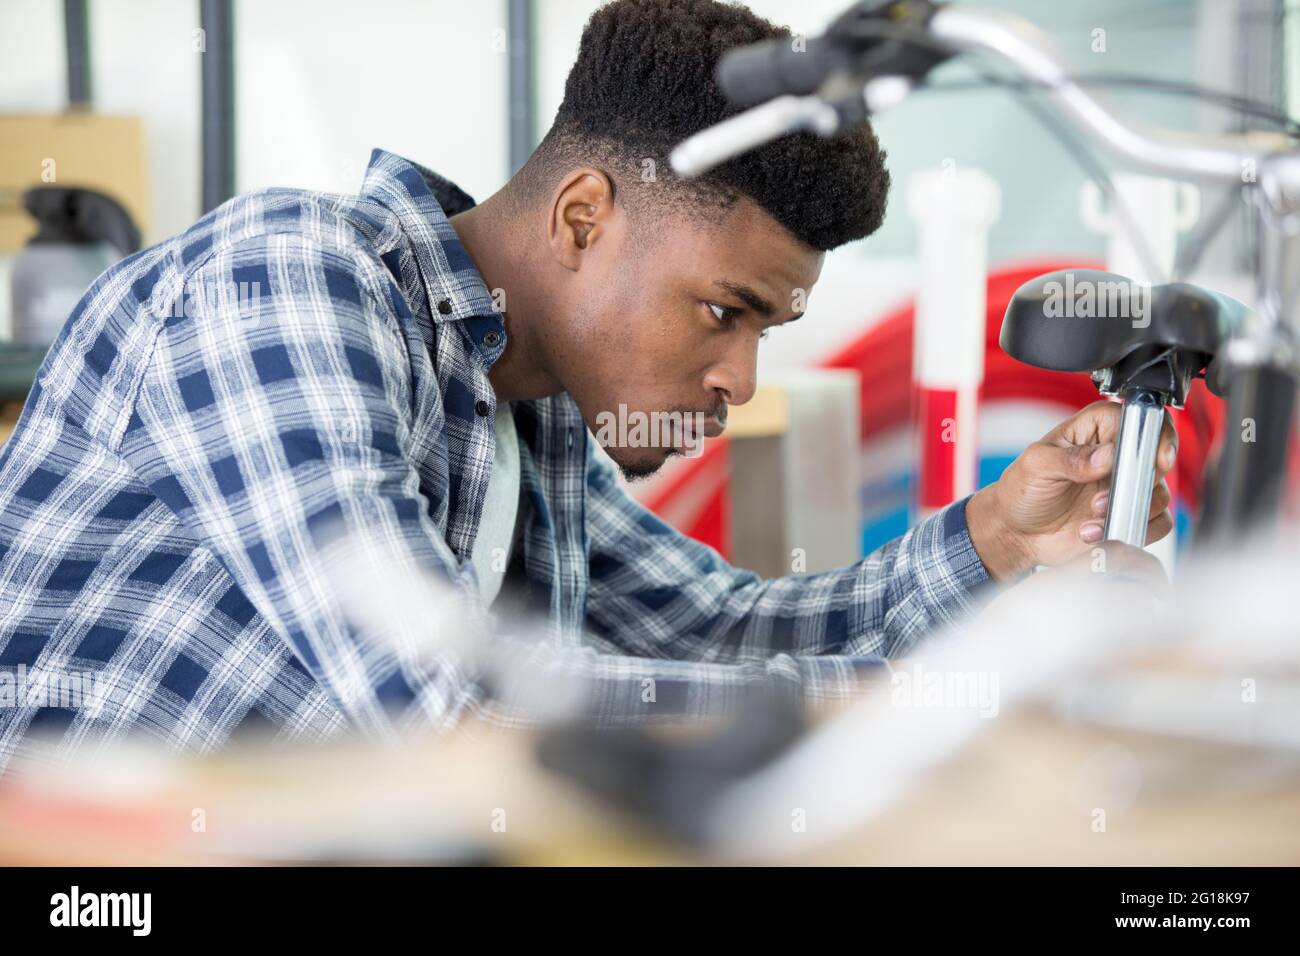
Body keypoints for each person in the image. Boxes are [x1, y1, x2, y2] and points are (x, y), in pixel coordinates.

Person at [0, 0, 1175, 768]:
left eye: (766, 327)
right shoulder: (289, 281)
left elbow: (719, 633)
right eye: (723, 310)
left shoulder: (527, 408)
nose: (737, 379)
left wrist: (999, 539)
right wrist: (922, 702)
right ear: (581, 218)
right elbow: (444, 704)